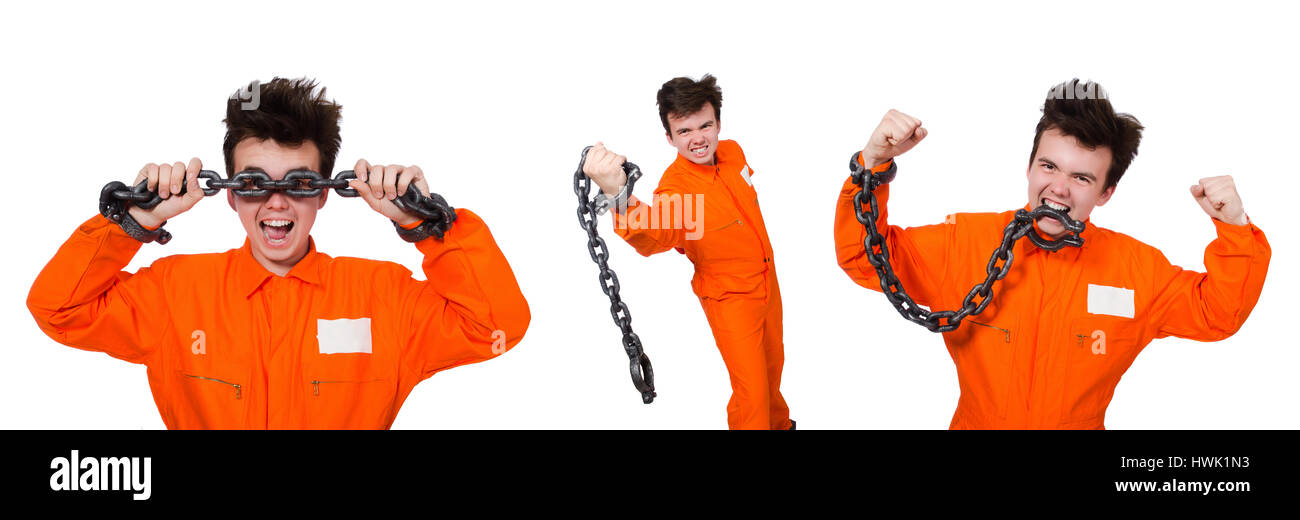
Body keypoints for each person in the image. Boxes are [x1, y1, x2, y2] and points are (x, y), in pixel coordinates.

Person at [27, 77, 531, 429]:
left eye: (299, 183)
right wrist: (133, 220)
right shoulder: (174, 294)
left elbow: (497, 328)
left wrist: (428, 224)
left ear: (324, 192)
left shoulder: (386, 299)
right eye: (252, 183)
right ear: (229, 192)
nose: (276, 202)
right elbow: (57, 310)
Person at [833, 79, 1270, 429]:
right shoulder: (963, 242)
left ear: (1106, 192)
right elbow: (864, 257)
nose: (1058, 188)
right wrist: (872, 165)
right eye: (1048, 166)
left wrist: (1235, 227)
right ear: (1029, 166)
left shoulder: (1136, 269)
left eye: (1082, 177)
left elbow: (1216, 312)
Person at [583, 75, 792, 430]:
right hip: (730, 298)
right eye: (684, 131)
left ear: (718, 123)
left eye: (705, 125)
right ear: (669, 137)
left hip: (768, 283)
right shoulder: (679, 190)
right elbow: (657, 235)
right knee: (751, 391)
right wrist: (618, 197)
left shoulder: (732, 153)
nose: (698, 139)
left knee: (772, 373)